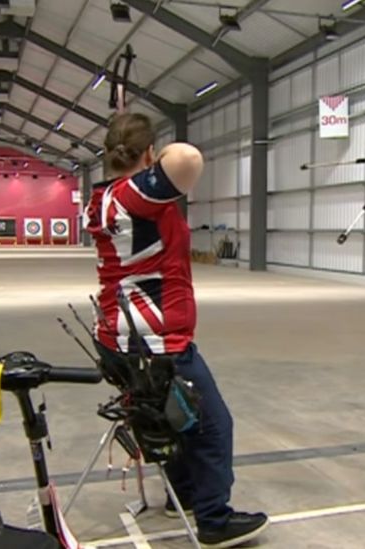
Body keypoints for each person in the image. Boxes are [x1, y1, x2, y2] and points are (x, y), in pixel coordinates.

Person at [83, 112, 269, 548]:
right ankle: (214, 520)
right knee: (212, 426)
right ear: (148, 153)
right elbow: (187, 158)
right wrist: (157, 158)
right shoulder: (134, 195)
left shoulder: (102, 198)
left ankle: (181, 495)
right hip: (154, 339)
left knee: (170, 417)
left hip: (116, 335)